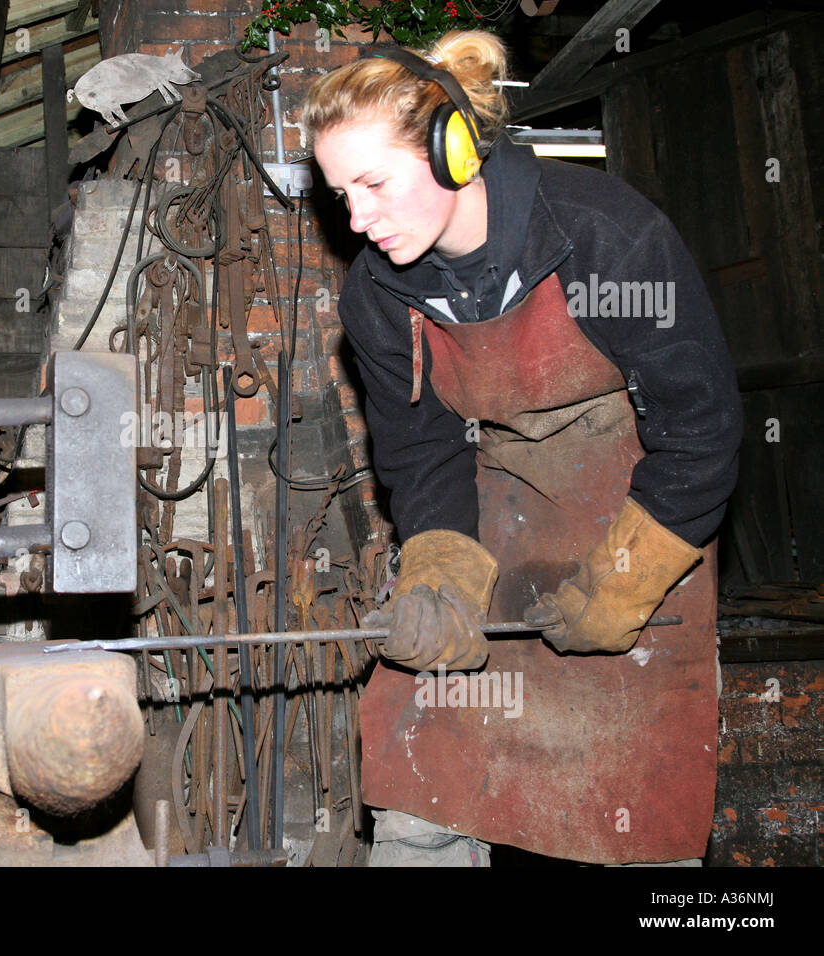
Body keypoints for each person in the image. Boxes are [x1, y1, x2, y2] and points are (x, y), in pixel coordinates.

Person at [300, 30, 742, 865]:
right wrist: (439, 578)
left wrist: (626, 579)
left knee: (637, 807)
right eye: (338, 193)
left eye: (373, 184)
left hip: (643, 512)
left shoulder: (606, 235)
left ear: (453, 149)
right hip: (492, 517)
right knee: (422, 776)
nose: (357, 219)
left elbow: (701, 432)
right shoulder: (377, 296)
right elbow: (423, 448)